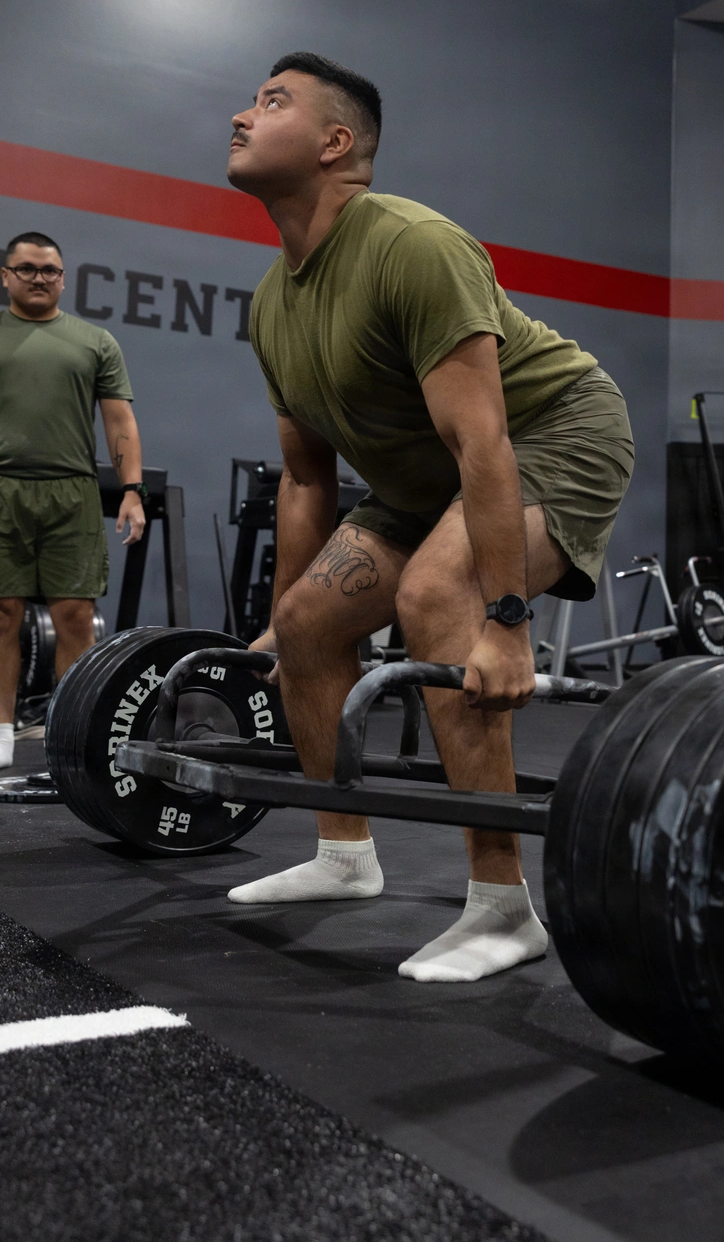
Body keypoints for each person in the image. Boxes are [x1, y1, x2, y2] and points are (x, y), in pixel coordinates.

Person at [226, 54, 634, 983]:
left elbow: (485, 441)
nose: (242, 116)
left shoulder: (414, 244)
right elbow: (303, 479)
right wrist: (287, 614)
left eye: (271, 101)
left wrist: (506, 622)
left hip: (553, 431)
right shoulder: (271, 302)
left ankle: (502, 908)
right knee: (306, 626)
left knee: (437, 593)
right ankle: (343, 855)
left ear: (338, 144)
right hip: (425, 480)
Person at [0, 232, 147, 766]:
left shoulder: (94, 342)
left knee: (75, 615)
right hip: (2, 489)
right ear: (6, 275)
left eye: (50, 270)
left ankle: (70, 733)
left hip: (72, 493)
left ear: (63, 277)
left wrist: (133, 490)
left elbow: (119, 420)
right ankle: (0, 736)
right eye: (28, 268)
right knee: (2, 613)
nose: (39, 277)